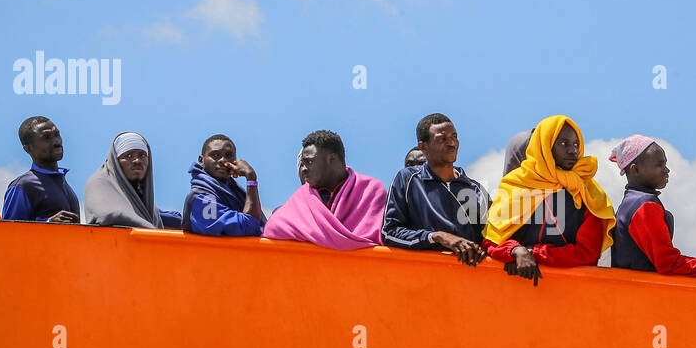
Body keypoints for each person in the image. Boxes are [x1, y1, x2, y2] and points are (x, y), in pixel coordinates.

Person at [610, 135, 696, 300]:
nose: (666, 170)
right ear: (635, 169)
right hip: (643, 300)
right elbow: (668, 263)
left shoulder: (629, 203)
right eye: (659, 164)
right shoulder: (645, 205)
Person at [483, 115, 615, 284]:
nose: (572, 150)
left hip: (570, 293)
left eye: (576, 144)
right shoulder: (517, 184)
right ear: (545, 146)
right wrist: (516, 251)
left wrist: (535, 253)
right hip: (516, 293)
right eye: (563, 143)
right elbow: (490, 242)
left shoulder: (588, 191)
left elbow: (587, 253)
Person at [383, 113, 488, 265]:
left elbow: (490, 240)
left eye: (454, 136)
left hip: (468, 282)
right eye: (442, 139)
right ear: (423, 146)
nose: (452, 143)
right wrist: (436, 237)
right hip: (420, 281)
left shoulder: (476, 190)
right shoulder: (407, 179)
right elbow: (389, 233)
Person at [263, 130, 387, 249]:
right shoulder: (301, 198)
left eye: (309, 161)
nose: (304, 168)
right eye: (303, 163)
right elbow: (274, 227)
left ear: (332, 159)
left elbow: (380, 237)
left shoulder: (371, 190)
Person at [83, 131, 182, 229]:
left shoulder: (149, 208)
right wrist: (150, 230)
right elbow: (107, 215)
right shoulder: (99, 183)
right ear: (116, 162)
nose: (137, 161)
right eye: (128, 156)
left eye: (142, 155)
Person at [0, 116, 81, 223]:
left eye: (57, 134)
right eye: (46, 137)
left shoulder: (64, 184)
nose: (56, 142)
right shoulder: (23, 186)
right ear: (28, 148)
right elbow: (8, 233)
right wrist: (48, 223)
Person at [182, 134, 265, 236]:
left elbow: (262, 227)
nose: (223, 160)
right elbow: (249, 226)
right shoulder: (202, 197)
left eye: (228, 155)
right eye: (216, 155)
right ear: (201, 160)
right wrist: (251, 178)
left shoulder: (236, 193)